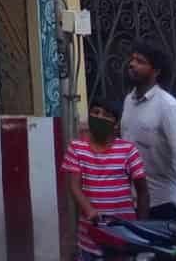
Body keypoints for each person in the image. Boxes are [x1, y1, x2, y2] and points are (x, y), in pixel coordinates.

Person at [119, 40, 176, 223]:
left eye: (140, 61)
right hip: (131, 203)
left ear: (156, 71)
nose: (132, 64)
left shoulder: (168, 106)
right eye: (132, 59)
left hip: (162, 204)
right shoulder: (128, 101)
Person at [61, 99, 149, 260]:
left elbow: (143, 191)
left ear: (116, 124)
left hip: (123, 235)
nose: (100, 117)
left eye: (106, 115)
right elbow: (74, 186)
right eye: (95, 112)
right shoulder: (76, 148)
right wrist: (89, 209)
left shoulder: (128, 150)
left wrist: (141, 230)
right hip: (89, 237)